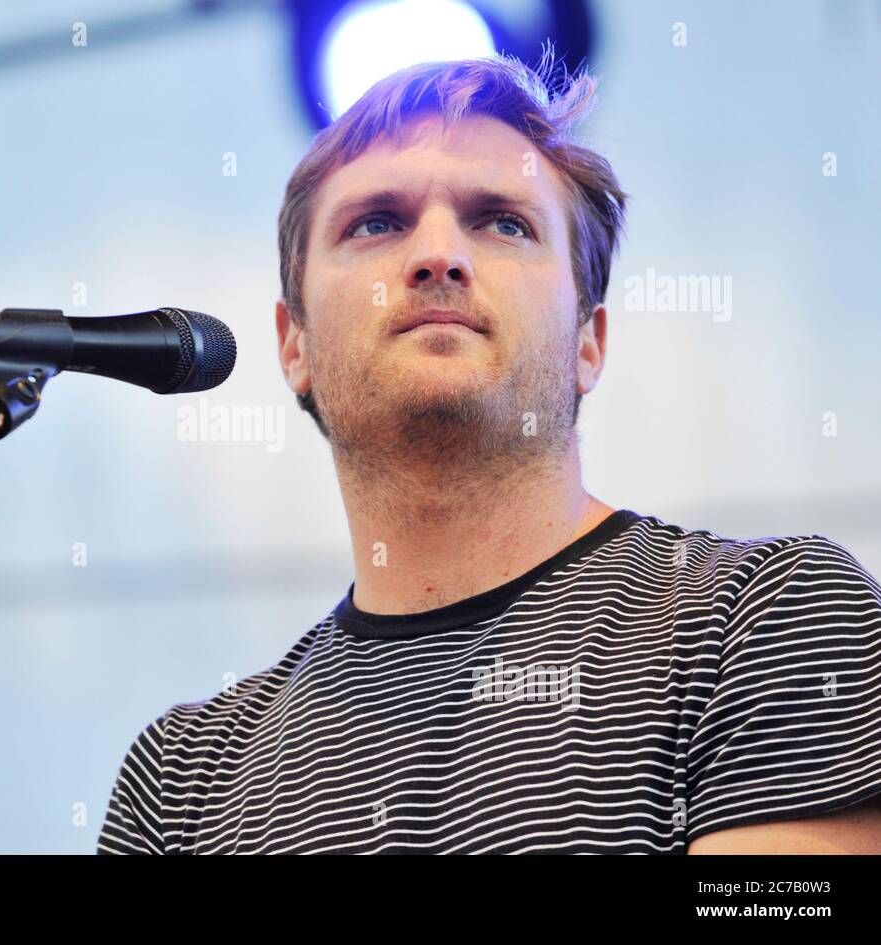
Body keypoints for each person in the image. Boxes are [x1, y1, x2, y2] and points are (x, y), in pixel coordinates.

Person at [97, 54, 881, 854]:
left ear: (588, 341)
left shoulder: (768, 618)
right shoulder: (182, 781)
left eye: (503, 222)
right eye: (376, 222)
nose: (439, 256)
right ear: (291, 343)